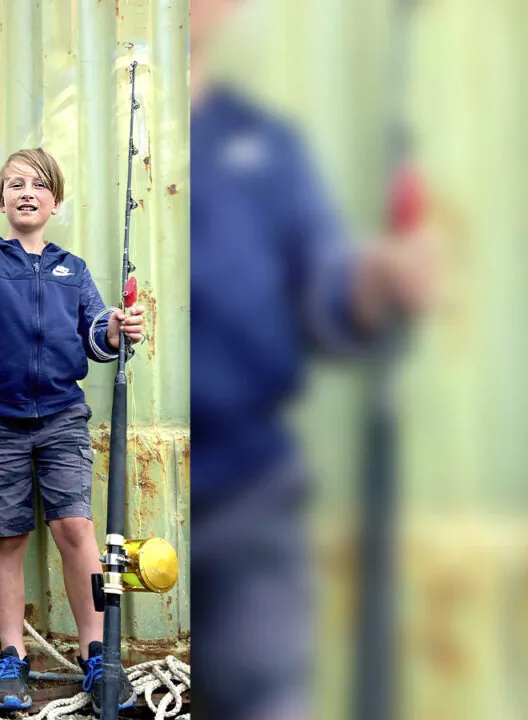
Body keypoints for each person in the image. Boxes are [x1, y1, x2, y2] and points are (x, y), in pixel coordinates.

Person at [189, 1, 435, 718]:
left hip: (251, 495)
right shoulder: (88, 126)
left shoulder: (273, 147)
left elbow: (324, 300)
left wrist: (371, 287)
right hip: (129, 507)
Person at [0, 148, 146, 713]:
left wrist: (114, 327)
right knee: (7, 540)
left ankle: (96, 655)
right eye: (14, 184)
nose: (25, 192)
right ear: (3, 200)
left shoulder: (73, 268)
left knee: (77, 532)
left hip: (61, 419)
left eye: (37, 184)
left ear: (54, 201)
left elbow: (96, 337)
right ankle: (12, 659)